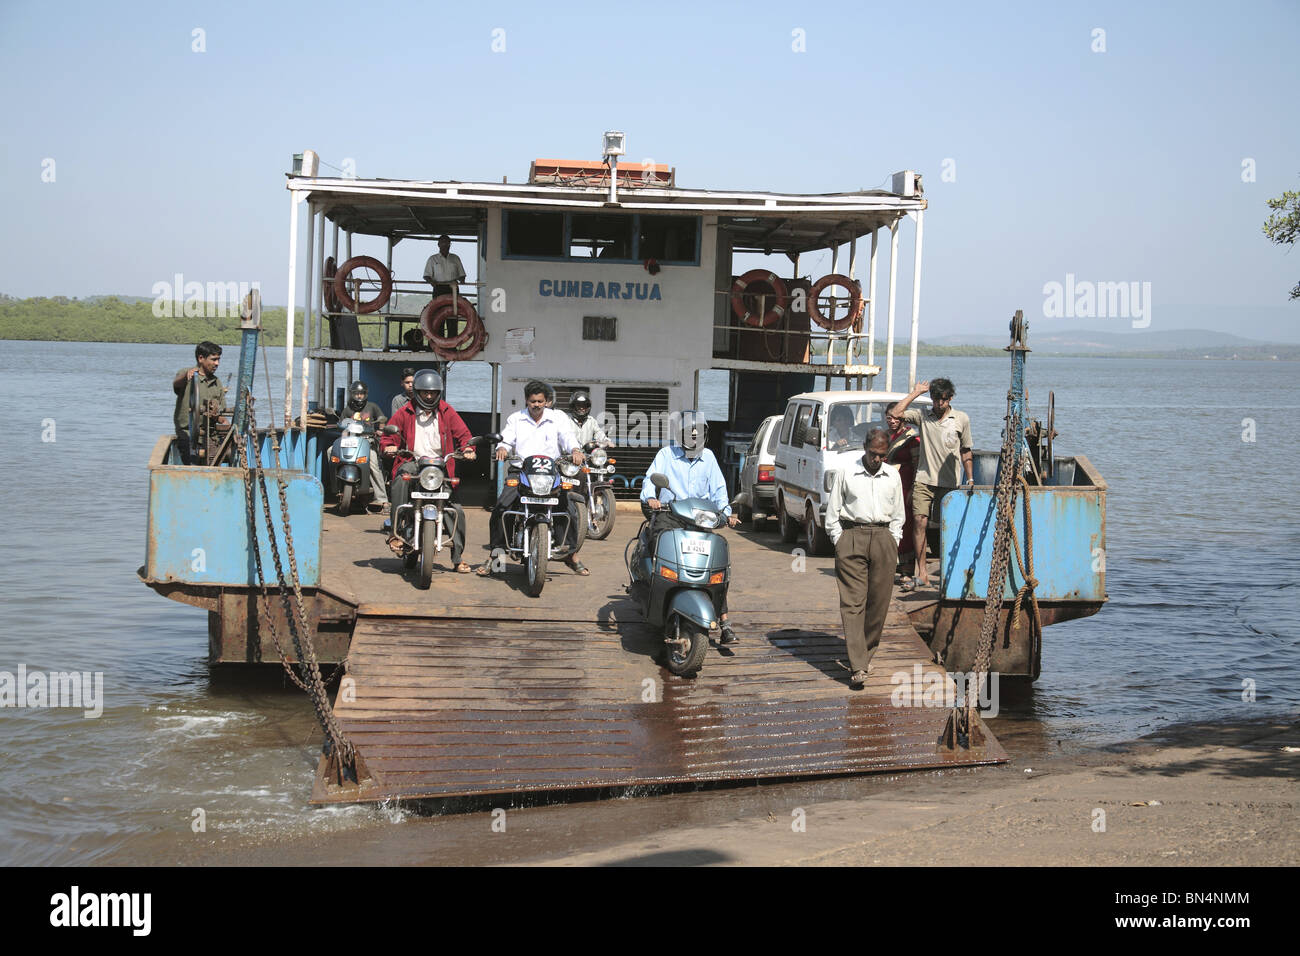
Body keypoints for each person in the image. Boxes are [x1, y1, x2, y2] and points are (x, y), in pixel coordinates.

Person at [640, 411, 741, 645]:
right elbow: (649, 480)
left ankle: (724, 620)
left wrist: (726, 514)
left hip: (700, 520)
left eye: (699, 432)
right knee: (660, 549)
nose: (694, 436)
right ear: (680, 434)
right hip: (669, 515)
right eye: (689, 432)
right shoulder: (666, 454)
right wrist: (650, 498)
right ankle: (654, 597)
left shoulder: (710, 458)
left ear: (705, 434)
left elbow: (719, 490)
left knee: (716, 566)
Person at [824, 429, 906, 688]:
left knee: (878, 604)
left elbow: (899, 515)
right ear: (864, 448)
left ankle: (866, 652)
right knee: (852, 602)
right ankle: (858, 666)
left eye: (882, 455)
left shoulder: (893, 475)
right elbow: (832, 512)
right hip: (852, 536)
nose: (877, 459)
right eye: (873, 454)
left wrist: (894, 540)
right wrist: (840, 540)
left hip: (884, 539)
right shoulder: (847, 472)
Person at [480, 381, 587, 577]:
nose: (536, 405)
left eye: (540, 401)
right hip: (521, 471)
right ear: (526, 401)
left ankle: (570, 555)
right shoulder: (516, 419)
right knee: (502, 508)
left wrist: (575, 450)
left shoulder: (558, 418)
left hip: (551, 472)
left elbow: (567, 437)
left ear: (547, 401)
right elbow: (506, 439)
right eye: (532, 401)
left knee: (569, 509)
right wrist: (502, 448)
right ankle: (496, 555)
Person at [380, 369, 476, 572]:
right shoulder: (405, 411)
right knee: (400, 480)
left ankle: (457, 558)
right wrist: (389, 446)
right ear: (416, 392)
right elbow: (389, 436)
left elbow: (464, 434)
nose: (429, 396)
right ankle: (396, 533)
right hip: (413, 461)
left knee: (455, 509)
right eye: (425, 393)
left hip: (440, 465)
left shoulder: (447, 411)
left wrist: (468, 448)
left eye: (433, 393)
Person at [890, 378, 974, 588]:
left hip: (949, 483)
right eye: (936, 399)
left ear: (951, 398)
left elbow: (966, 451)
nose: (940, 403)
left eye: (944, 399)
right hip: (924, 480)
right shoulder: (922, 416)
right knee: (919, 522)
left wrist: (970, 478)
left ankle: (949, 572)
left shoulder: (961, 419)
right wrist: (915, 393)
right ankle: (923, 573)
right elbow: (896, 413)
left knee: (949, 527)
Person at [884, 406, 921, 589]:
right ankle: (889, 568)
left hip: (905, 485)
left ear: (902, 419)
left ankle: (907, 571)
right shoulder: (883, 437)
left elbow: (917, 465)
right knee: (887, 524)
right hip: (886, 487)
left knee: (905, 526)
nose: (892, 421)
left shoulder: (911, 439)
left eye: (895, 418)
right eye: (889, 417)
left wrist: (913, 489)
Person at [172, 341, 227, 465]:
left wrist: (221, 420)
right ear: (201, 358)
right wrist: (186, 375)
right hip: (188, 435)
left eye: (218, 360)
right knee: (192, 464)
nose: (217, 363)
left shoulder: (217, 382)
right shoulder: (187, 375)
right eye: (213, 360)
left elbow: (221, 413)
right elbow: (176, 383)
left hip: (210, 437)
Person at [339, 380, 389, 513]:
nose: (359, 396)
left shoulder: (372, 406)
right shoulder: (347, 409)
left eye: (361, 394)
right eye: (356, 394)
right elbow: (342, 424)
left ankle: (382, 499)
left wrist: (380, 430)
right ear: (352, 395)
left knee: (373, 464)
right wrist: (343, 432)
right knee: (330, 452)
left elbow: (382, 419)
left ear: (365, 394)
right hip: (350, 441)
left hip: (367, 440)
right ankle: (334, 488)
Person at [423, 234, 467, 299]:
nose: (445, 245)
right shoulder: (432, 259)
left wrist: (462, 280)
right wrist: (431, 282)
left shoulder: (455, 258)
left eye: (448, 243)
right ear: (438, 244)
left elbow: (462, 274)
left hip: (453, 287)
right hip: (438, 288)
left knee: (454, 307)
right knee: (438, 308)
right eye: (443, 242)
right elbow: (426, 276)